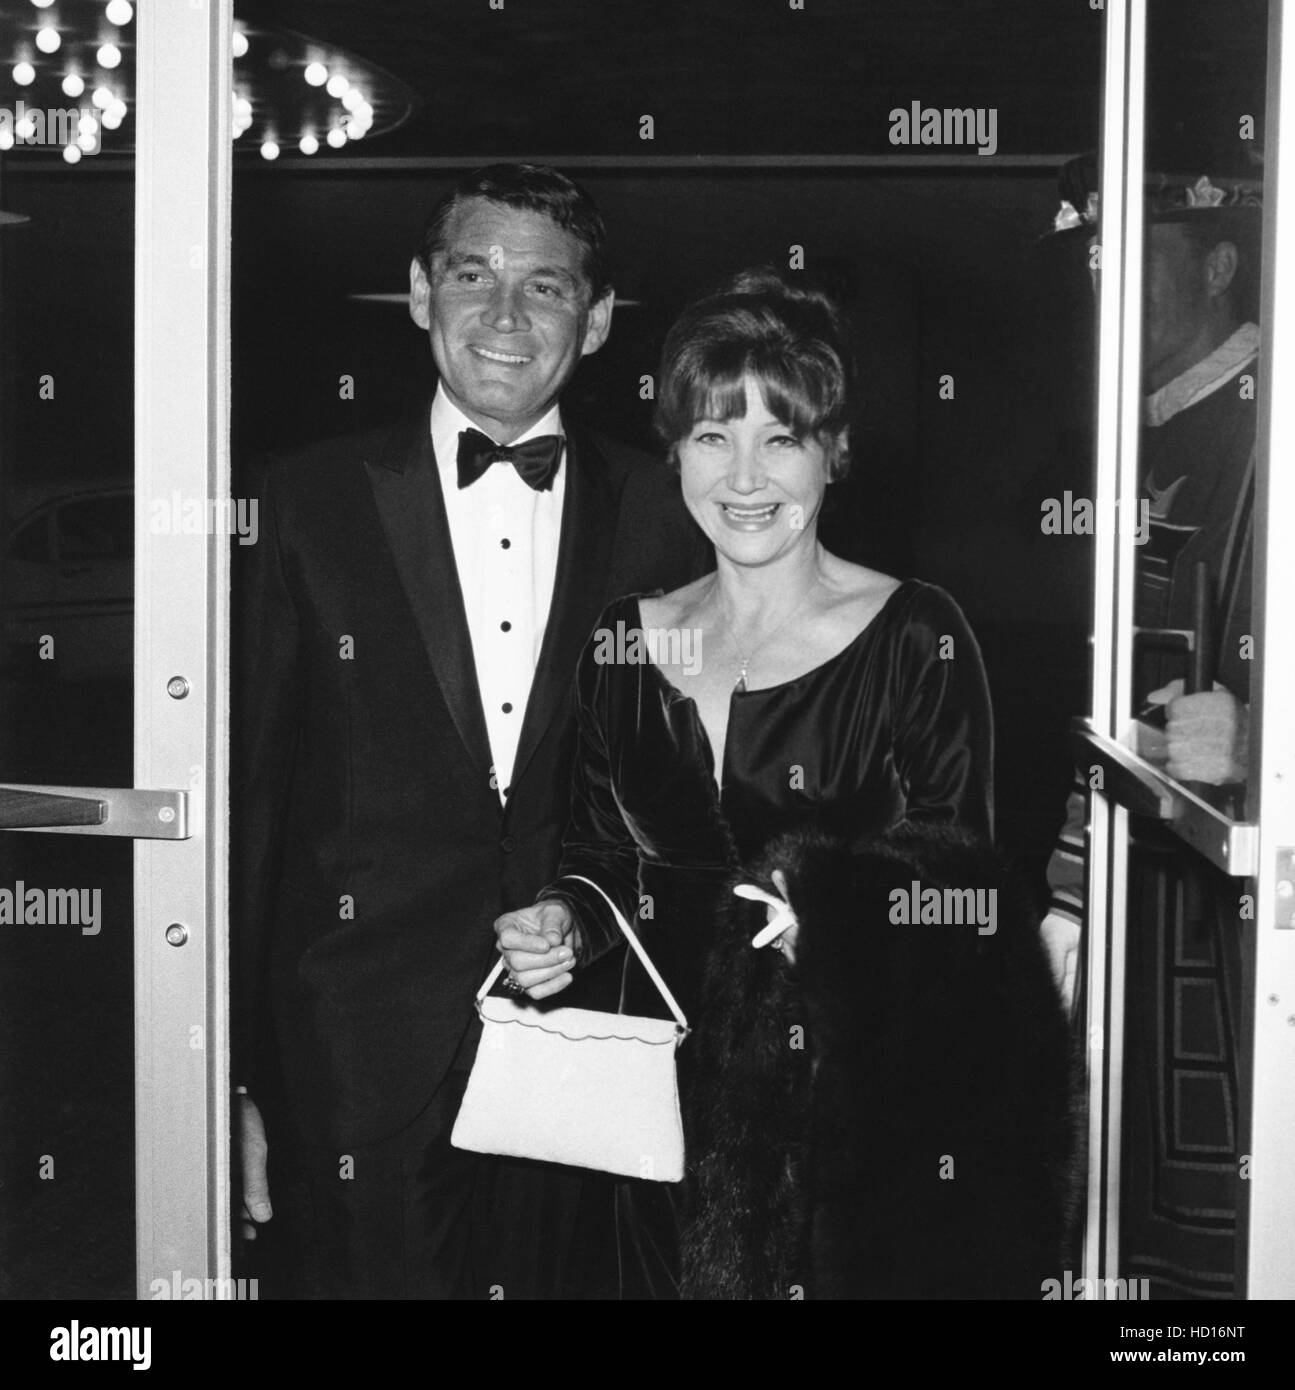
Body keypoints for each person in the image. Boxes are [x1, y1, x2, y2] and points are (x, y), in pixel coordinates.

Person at [494, 269, 1069, 1298]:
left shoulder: (914, 635)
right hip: (649, 1119)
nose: (744, 475)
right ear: (673, 452)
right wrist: (561, 924)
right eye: (713, 436)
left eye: (780, 436)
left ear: (832, 450)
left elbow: (971, 896)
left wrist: (839, 920)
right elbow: (594, 860)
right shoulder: (623, 639)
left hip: (846, 1131)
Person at [232, 163, 709, 1299]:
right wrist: (238, 1076)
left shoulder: (663, 512)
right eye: (470, 275)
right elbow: (254, 797)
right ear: (417, 293)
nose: (502, 315)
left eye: (543, 287)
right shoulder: (304, 500)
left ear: (593, 322)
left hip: (578, 1037)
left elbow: (682, 806)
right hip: (350, 1045)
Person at [1040, 156, 1261, 1297]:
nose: (1103, 284)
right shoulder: (1140, 438)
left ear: (1223, 263)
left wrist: (1270, 752)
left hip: (1249, 961)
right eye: (1091, 261)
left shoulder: (1277, 427)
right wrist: (1071, 893)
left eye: (1136, 254)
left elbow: (1232, 730)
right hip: (1152, 938)